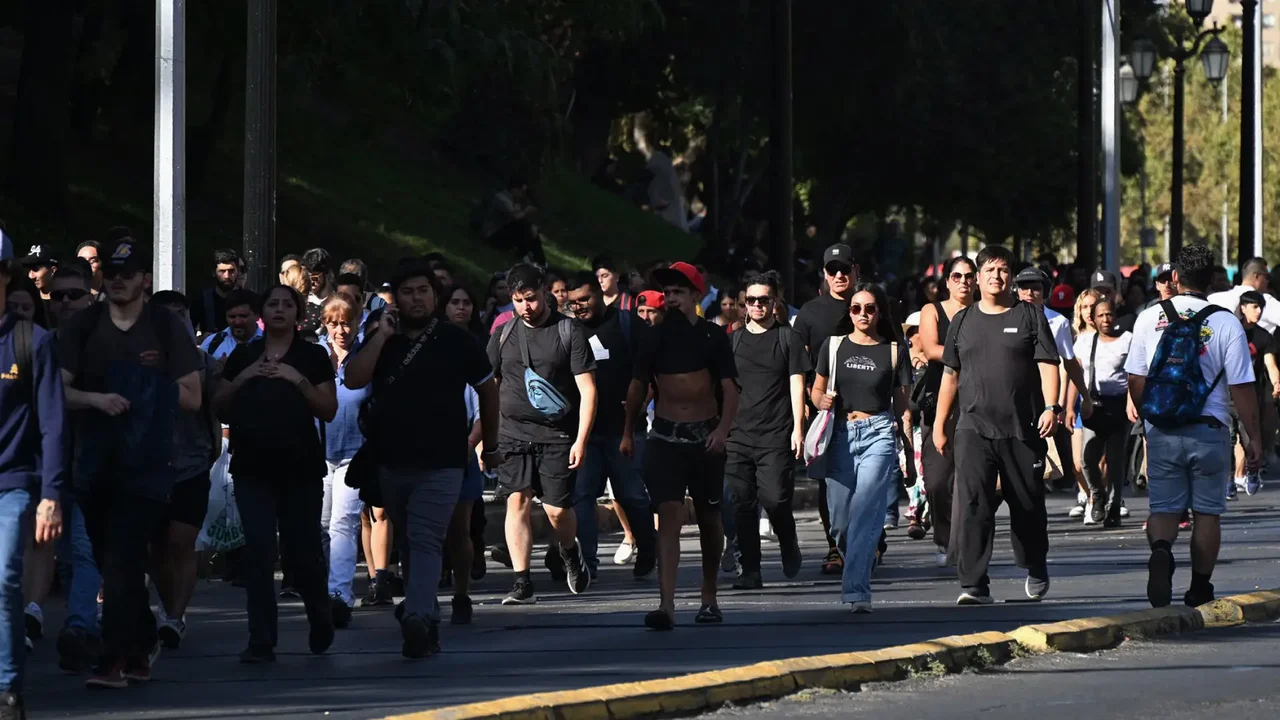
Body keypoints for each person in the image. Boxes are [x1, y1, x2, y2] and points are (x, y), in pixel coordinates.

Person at [58, 238, 203, 688]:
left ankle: (112, 658)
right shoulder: (83, 326)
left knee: (122, 558)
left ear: (145, 279)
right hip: (93, 462)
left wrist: (143, 388)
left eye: (128, 272)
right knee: (111, 562)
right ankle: (141, 643)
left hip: (146, 465)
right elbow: (57, 391)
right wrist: (97, 398)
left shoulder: (165, 327)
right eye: (112, 273)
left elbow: (193, 397)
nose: (118, 280)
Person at [346, 263, 499, 653]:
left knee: (426, 537)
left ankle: (414, 615)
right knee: (411, 543)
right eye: (408, 292)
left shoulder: (457, 341)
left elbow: (489, 392)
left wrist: (490, 444)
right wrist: (380, 337)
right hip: (391, 459)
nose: (417, 298)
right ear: (395, 299)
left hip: (444, 459)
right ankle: (426, 614)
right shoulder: (383, 337)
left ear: (436, 297)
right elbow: (353, 378)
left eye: (424, 291)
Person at [1125, 243, 1260, 608]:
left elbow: (1136, 378)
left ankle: (1162, 551)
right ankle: (1199, 586)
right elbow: (1241, 388)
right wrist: (1253, 438)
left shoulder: (1149, 318)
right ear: (1212, 279)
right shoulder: (1225, 321)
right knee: (1207, 512)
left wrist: (1150, 415)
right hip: (1210, 428)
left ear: (1174, 277)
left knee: (1164, 508)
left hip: (1164, 429)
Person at [216, 284, 338, 664]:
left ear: (299, 314)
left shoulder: (312, 356)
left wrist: (294, 378)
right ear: (261, 314)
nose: (280, 310)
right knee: (259, 553)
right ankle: (261, 639)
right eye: (273, 304)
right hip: (252, 467)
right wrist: (244, 377)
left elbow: (328, 409)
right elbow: (218, 406)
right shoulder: (242, 356)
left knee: (302, 552)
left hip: (300, 467)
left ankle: (320, 616)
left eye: (288, 304)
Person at [933, 245, 1060, 605]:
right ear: (978, 276)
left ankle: (1034, 563)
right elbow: (950, 376)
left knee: (1027, 506)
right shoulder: (963, 319)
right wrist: (941, 423)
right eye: (988, 270)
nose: (996, 277)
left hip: (1021, 428)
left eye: (1002, 270)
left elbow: (1048, 364)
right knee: (973, 503)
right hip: (973, 428)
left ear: (1011, 276)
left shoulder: (1030, 315)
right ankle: (973, 584)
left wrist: (1051, 406)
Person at [623, 262, 737, 630]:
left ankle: (708, 597)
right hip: (665, 438)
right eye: (667, 293)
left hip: (705, 438)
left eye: (679, 292)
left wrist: (722, 430)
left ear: (696, 296)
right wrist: (627, 430)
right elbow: (638, 386)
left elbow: (731, 390)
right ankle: (666, 605)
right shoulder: (652, 338)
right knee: (668, 514)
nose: (671, 298)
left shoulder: (713, 337)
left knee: (708, 517)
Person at [484, 264, 596, 605]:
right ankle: (521, 581)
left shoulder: (569, 331)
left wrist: (581, 439)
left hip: (557, 435)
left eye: (530, 298)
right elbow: (489, 386)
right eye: (517, 300)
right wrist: (485, 437)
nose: (525, 307)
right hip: (513, 433)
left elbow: (588, 390)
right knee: (516, 500)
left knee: (556, 511)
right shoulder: (503, 335)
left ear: (545, 291)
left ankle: (568, 550)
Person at [812, 283, 912, 612]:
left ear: (880, 312)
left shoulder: (895, 350)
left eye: (869, 308)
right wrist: (821, 399)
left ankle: (857, 591)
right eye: (856, 309)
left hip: (879, 433)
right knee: (840, 522)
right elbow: (816, 391)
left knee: (866, 512)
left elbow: (903, 407)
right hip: (840, 433)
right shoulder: (834, 346)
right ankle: (860, 557)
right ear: (849, 313)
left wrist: (909, 451)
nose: (862, 314)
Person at [0, 257, 66, 719]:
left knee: (3, 578)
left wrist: (51, 496)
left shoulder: (31, 341)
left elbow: (53, 425)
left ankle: (7, 691)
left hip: (15, 481)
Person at [563, 273, 656, 579]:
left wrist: (639, 406)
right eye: (573, 302)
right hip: (585, 433)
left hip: (625, 429)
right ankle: (587, 563)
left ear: (600, 294)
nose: (579, 307)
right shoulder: (568, 329)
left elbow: (648, 372)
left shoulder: (628, 325)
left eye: (585, 299)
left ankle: (647, 548)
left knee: (631, 494)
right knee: (583, 496)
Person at [724, 271, 808, 590]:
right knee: (742, 503)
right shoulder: (732, 340)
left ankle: (787, 539)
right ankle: (751, 570)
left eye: (765, 300)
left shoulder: (788, 338)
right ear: (744, 303)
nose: (758, 305)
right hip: (738, 435)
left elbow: (797, 382)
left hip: (776, 433)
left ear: (775, 303)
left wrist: (798, 428)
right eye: (752, 300)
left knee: (775, 499)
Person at [148, 292, 220, 650]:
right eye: (167, 316)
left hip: (192, 462)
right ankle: (169, 607)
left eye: (181, 315)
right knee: (158, 546)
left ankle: (176, 616)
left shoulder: (204, 361)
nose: (175, 322)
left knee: (181, 540)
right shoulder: (140, 359)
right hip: (149, 464)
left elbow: (213, 408)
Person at [41, 263, 101, 674]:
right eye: (57, 295)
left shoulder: (104, 343)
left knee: (83, 550)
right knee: (37, 553)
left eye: (73, 295)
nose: (64, 302)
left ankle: (79, 627)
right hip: (39, 465)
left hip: (90, 463)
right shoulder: (37, 342)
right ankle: (27, 618)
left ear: (90, 297)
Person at [792, 243, 859, 576]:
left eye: (844, 269)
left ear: (855, 271)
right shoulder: (810, 313)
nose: (839, 276)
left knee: (868, 481)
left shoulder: (871, 307)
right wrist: (805, 405)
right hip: (827, 407)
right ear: (824, 274)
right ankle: (835, 546)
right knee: (829, 480)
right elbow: (798, 362)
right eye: (832, 270)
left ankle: (867, 540)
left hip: (868, 407)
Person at [914, 256, 975, 567]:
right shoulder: (932, 311)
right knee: (938, 480)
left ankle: (964, 543)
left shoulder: (983, 312)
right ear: (948, 281)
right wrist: (972, 353)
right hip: (939, 403)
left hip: (979, 403)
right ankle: (943, 537)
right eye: (957, 276)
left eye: (968, 276)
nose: (963, 281)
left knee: (970, 479)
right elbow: (930, 348)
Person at [314, 295, 369, 630]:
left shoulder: (365, 356)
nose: (340, 330)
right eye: (333, 323)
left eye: (346, 322)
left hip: (354, 454)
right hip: (320, 455)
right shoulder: (316, 356)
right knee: (320, 527)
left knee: (343, 523)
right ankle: (321, 591)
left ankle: (339, 595)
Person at [1013, 267, 1093, 494]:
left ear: (1045, 292)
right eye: (1024, 287)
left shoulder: (1057, 322)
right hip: (1010, 394)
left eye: (1036, 288)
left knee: (1036, 461)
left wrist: (1083, 396)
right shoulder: (1005, 316)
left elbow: (1070, 362)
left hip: (1042, 398)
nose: (1029, 292)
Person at [1067, 298, 1135, 528]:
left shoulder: (1127, 340)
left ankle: (1114, 506)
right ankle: (1097, 495)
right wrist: (1068, 407)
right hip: (1092, 405)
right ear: (1093, 320)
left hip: (1118, 405)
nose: (1106, 319)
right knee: (1086, 459)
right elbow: (1074, 377)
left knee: (1115, 461)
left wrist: (1131, 403)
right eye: (1101, 315)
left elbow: (1134, 375)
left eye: (1109, 314)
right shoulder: (1084, 342)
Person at [1229, 291, 1277, 496]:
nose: (1258, 312)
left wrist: (1276, 381)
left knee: (1248, 438)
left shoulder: (1263, 336)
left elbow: (1270, 363)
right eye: (1254, 307)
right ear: (1243, 308)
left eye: (1260, 307)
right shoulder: (1230, 330)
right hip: (1227, 394)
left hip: (1250, 394)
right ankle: (1229, 480)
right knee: (1227, 438)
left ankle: (1252, 471)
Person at [479, 178, 545, 266]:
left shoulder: (514, 201)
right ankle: (524, 256)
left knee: (529, 227)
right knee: (524, 225)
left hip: (501, 235)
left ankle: (540, 261)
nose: (523, 195)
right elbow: (514, 217)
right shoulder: (502, 198)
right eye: (521, 191)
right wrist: (526, 212)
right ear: (514, 189)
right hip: (492, 237)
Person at [1208, 258, 1280, 332]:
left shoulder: (1213, 298)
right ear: (1257, 277)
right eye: (1267, 277)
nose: (1268, 281)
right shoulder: (1265, 300)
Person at [199, 289, 263, 365]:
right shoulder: (210, 344)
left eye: (243, 316)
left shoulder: (269, 343)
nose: (237, 322)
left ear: (257, 315)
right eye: (232, 317)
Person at [189, 249, 242, 336]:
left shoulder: (248, 299)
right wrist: (202, 339)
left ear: (238, 272)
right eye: (222, 271)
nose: (227, 276)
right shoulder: (202, 300)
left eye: (231, 271)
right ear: (214, 272)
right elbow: (188, 333)